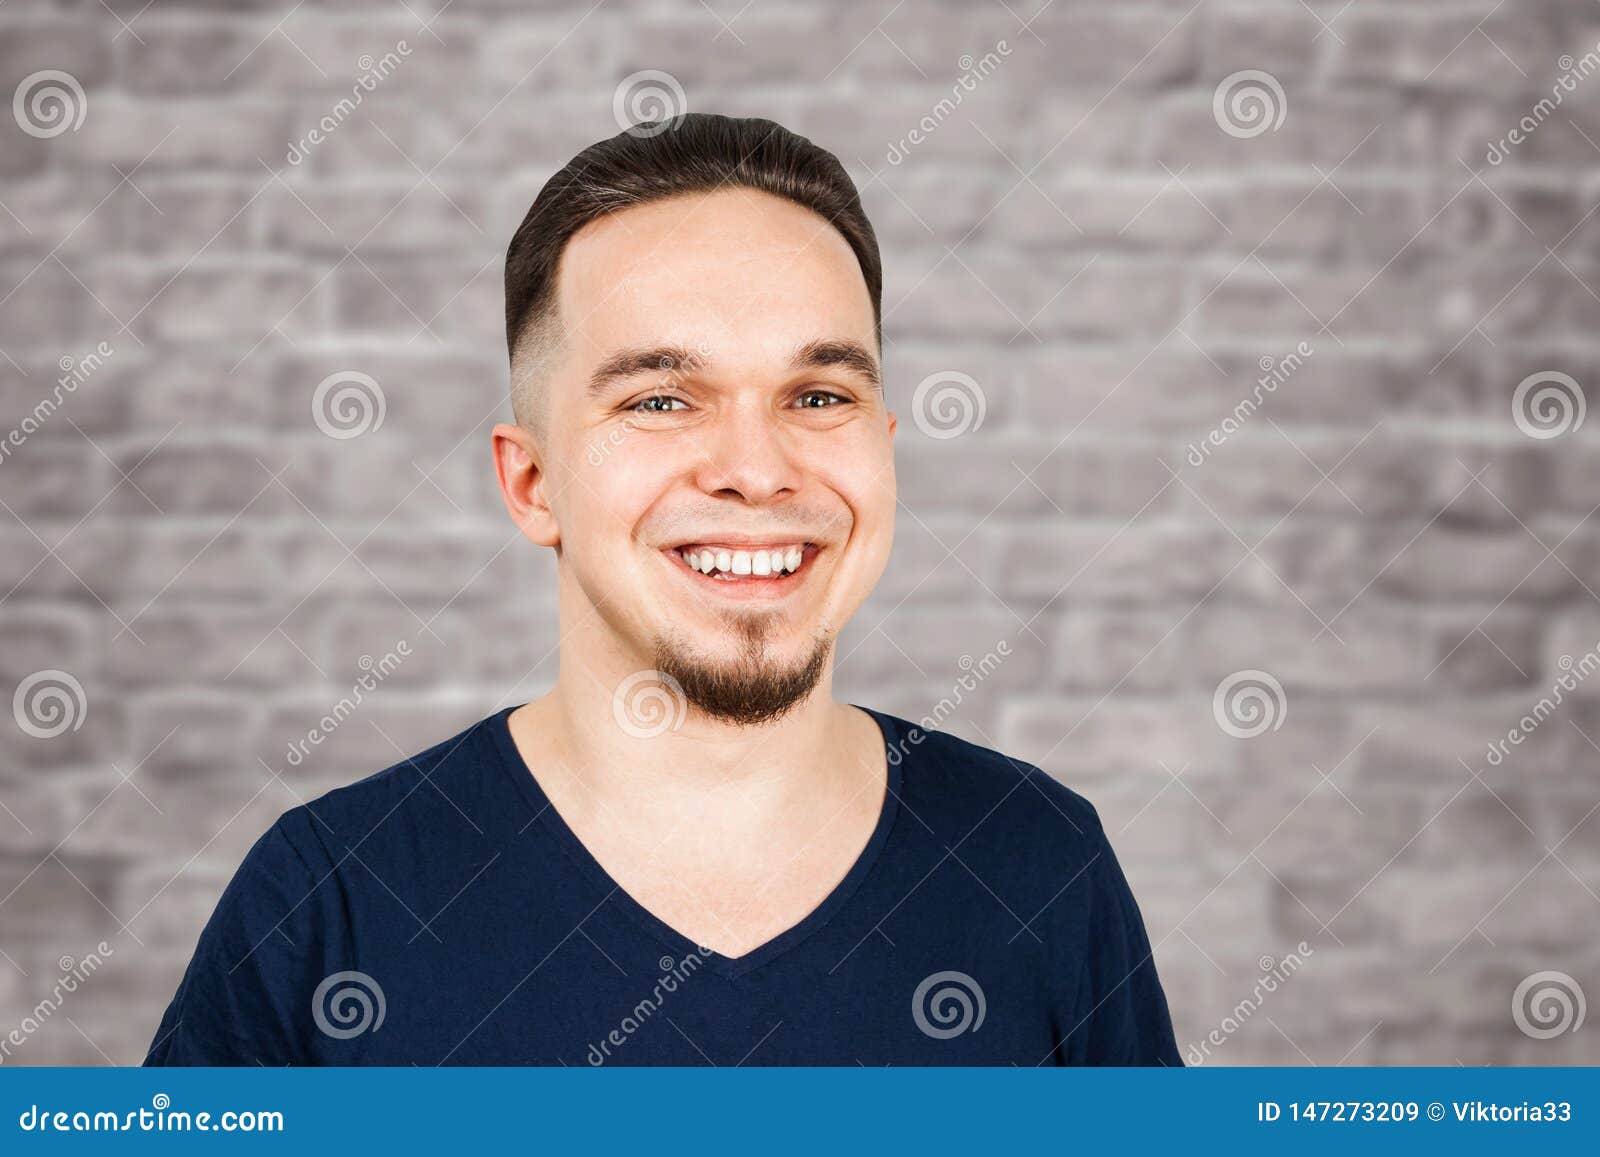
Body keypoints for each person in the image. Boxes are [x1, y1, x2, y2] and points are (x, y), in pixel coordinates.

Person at [145, 112, 1181, 1066]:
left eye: (818, 394)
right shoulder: (330, 899)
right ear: (532, 480)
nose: (756, 466)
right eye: (661, 398)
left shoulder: (1036, 863)